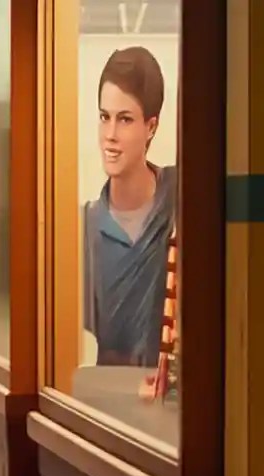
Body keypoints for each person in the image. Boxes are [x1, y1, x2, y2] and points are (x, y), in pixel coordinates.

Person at [82, 45, 177, 367]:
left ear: (151, 127)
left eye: (124, 120)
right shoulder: (86, 228)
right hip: (104, 407)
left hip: (177, 404)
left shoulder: (181, 201)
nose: (110, 135)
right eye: (104, 117)